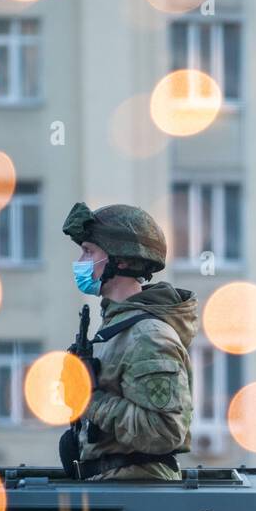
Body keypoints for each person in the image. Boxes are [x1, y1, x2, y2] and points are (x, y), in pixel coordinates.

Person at [61, 201, 198, 481]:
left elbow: (165, 433)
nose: (80, 262)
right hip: (118, 492)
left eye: (89, 251)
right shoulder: (115, 328)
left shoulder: (147, 335)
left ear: (119, 260)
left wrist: (89, 400)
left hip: (138, 500)